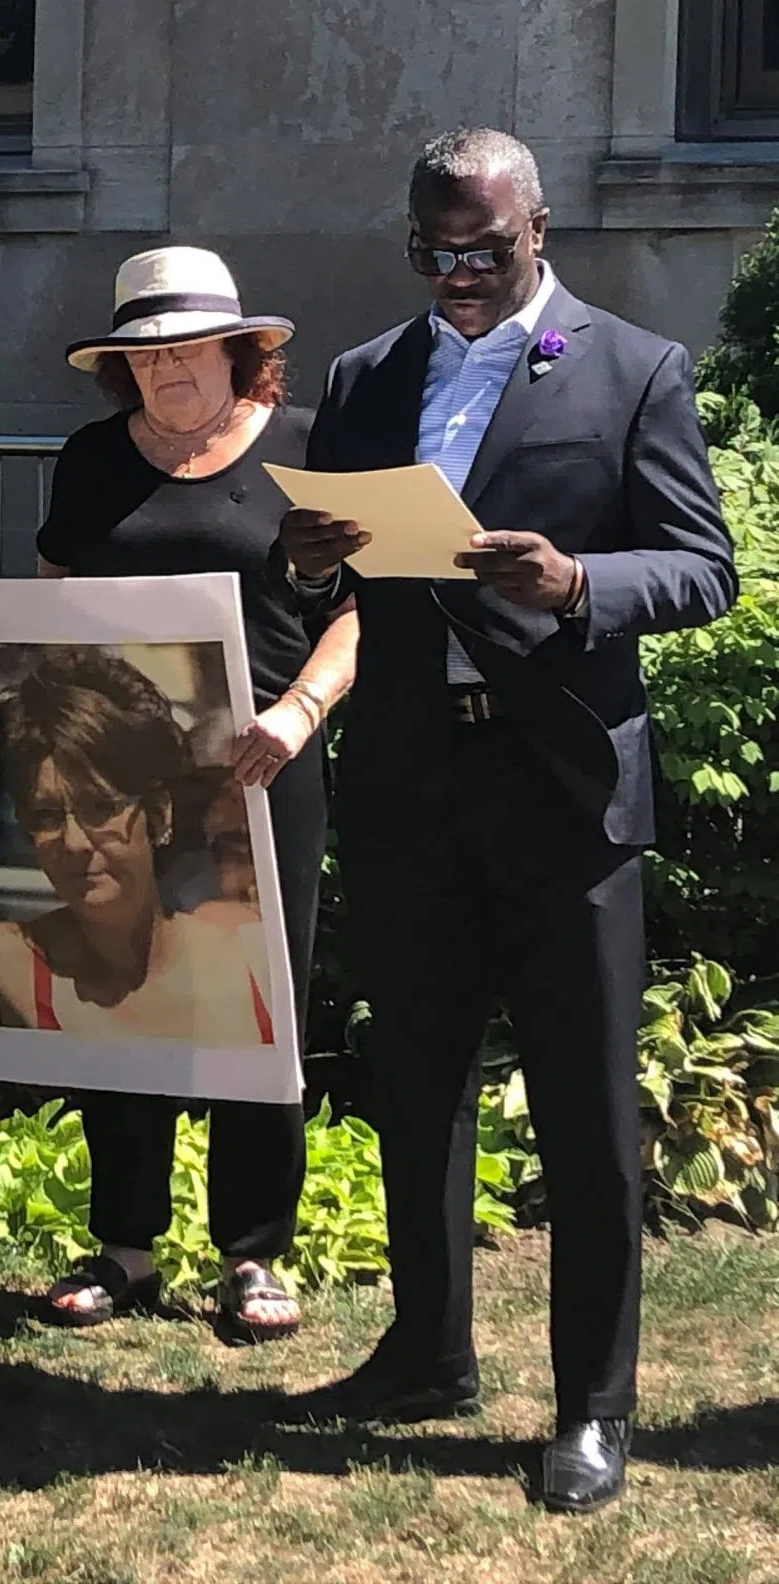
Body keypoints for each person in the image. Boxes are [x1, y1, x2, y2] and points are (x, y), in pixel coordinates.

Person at [277, 130, 735, 1513]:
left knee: (586, 1105)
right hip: (414, 777)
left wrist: (580, 579)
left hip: (561, 789)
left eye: (482, 248)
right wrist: (305, 556)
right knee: (416, 1082)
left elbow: (704, 567)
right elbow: (327, 565)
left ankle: (593, 1408)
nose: (457, 275)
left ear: (542, 227)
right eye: (432, 251)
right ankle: (426, 1354)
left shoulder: (633, 368)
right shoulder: (369, 376)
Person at [0, 247, 356, 1344]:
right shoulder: (92, 461)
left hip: (262, 768)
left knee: (258, 1004)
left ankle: (253, 1255)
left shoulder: (307, 453)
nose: (168, 370)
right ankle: (125, 1247)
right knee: (125, 995)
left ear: (239, 350)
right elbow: (51, 619)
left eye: (190, 348)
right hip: (116, 771)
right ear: (122, 367)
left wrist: (298, 713)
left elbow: (360, 612)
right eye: (144, 353)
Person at [0, 645, 275, 1053]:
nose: (74, 842)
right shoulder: (5, 966)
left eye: (101, 809)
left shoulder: (253, 960)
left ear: (159, 812)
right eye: (46, 816)